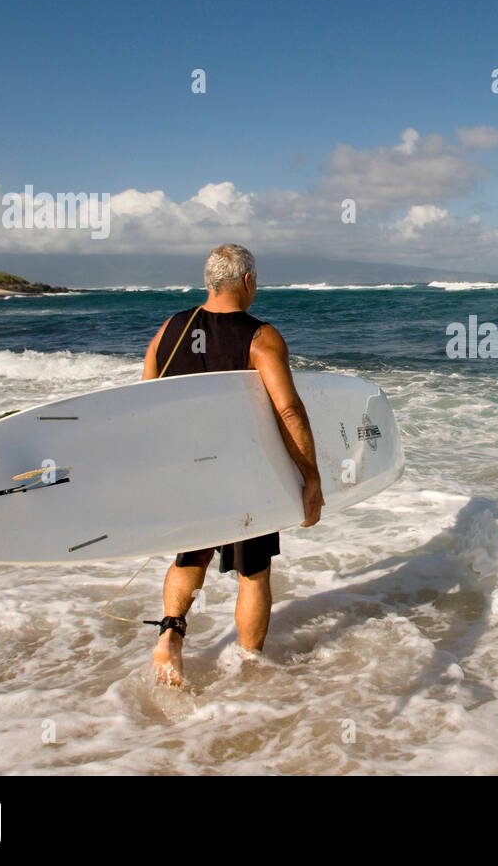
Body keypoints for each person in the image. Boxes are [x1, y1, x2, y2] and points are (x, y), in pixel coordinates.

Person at [142, 244, 324, 686]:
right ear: (248, 281)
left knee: (191, 555)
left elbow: (144, 400)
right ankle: (247, 668)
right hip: (244, 476)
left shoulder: (171, 328)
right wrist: (311, 477)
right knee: (253, 574)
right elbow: (289, 412)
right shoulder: (260, 337)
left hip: (189, 472)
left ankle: (170, 634)